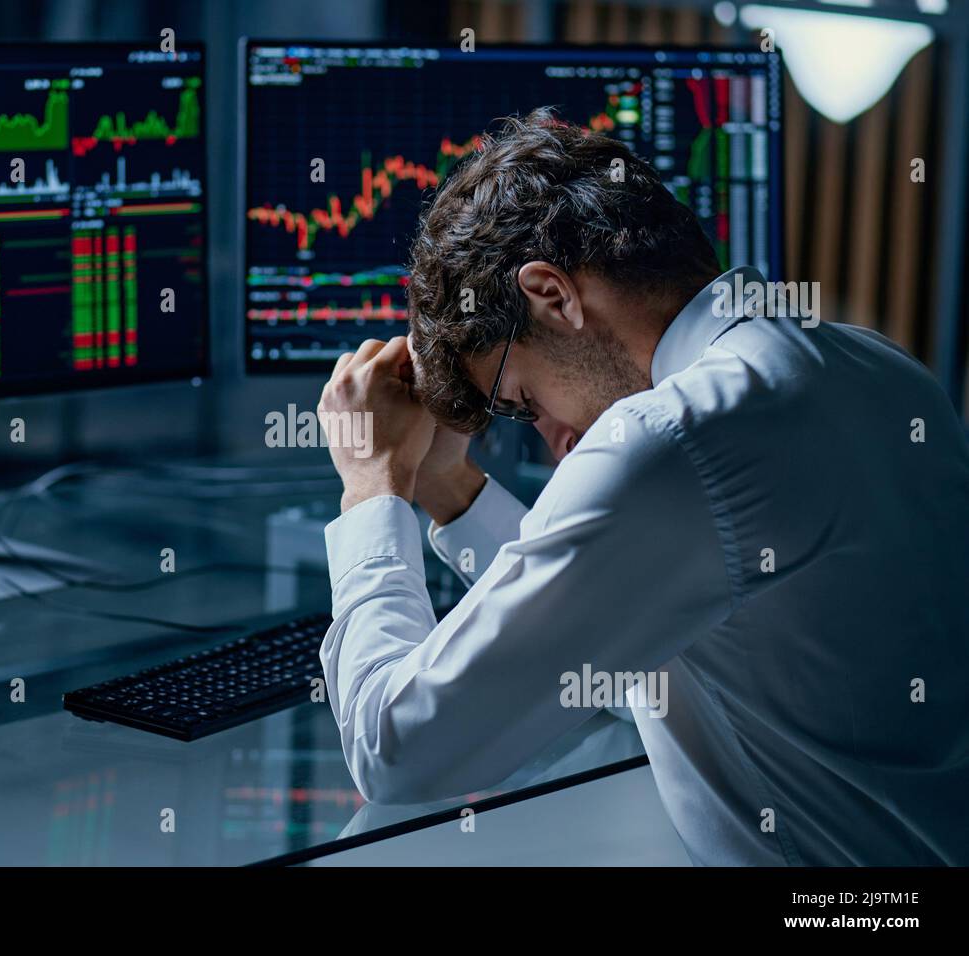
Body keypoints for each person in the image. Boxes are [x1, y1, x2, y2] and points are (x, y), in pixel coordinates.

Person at [315, 109, 969, 866]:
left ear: (552, 294)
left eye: (523, 400)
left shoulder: (673, 441)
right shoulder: (874, 366)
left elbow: (397, 751)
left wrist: (369, 490)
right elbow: (608, 655)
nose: (554, 439)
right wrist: (449, 489)